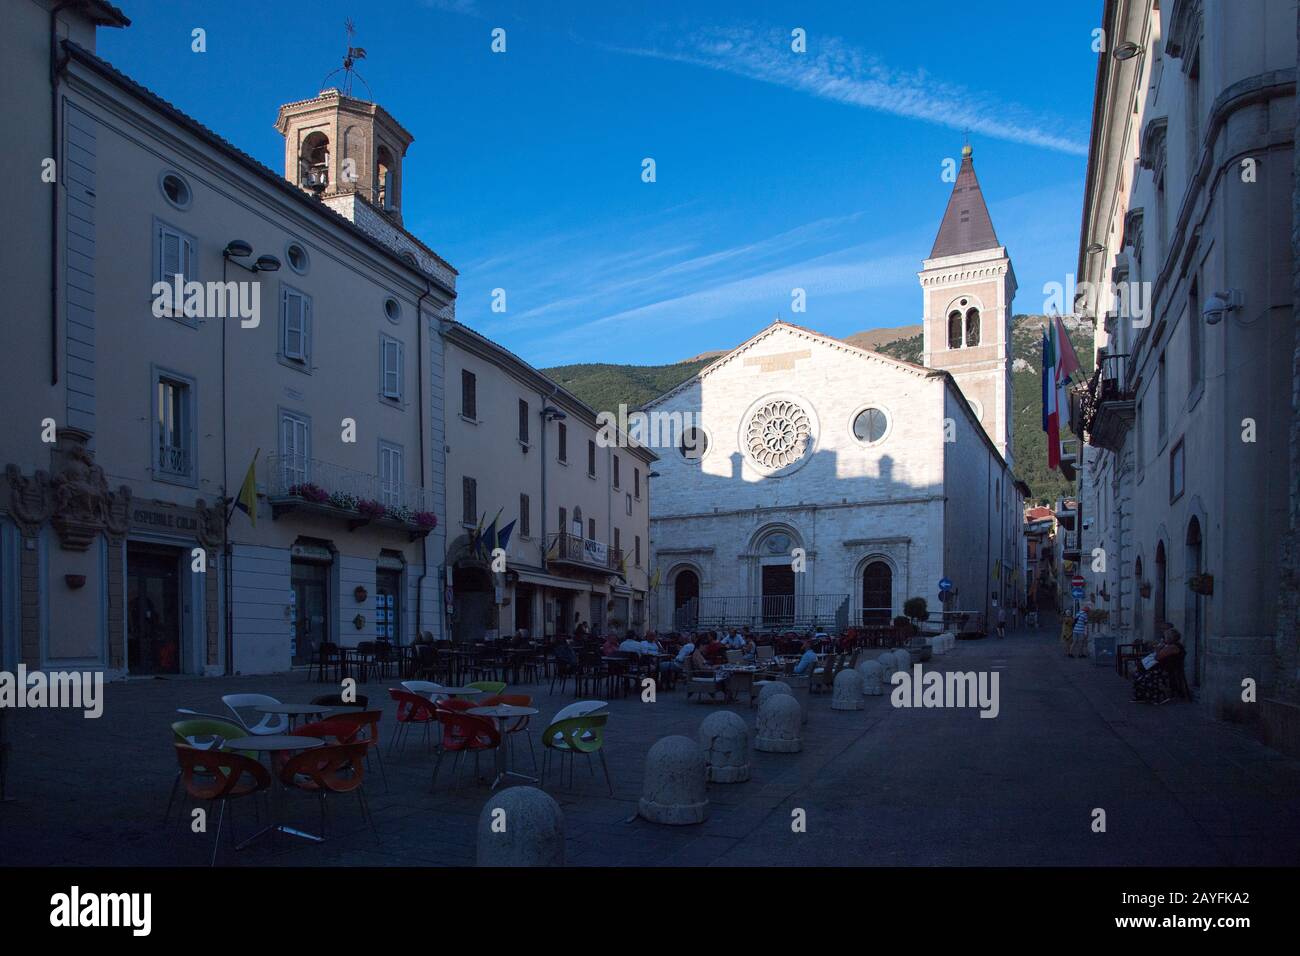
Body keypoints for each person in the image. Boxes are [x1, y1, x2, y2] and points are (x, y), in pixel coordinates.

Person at [1133, 624, 1184, 703]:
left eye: (1165, 637)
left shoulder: (1172, 647)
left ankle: (1155, 696)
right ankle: (1143, 696)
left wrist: (1158, 649)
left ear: (1169, 638)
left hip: (1167, 670)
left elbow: (1157, 657)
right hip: (1165, 668)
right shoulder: (1171, 646)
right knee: (1139, 673)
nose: (1164, 638)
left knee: (1143, 675)